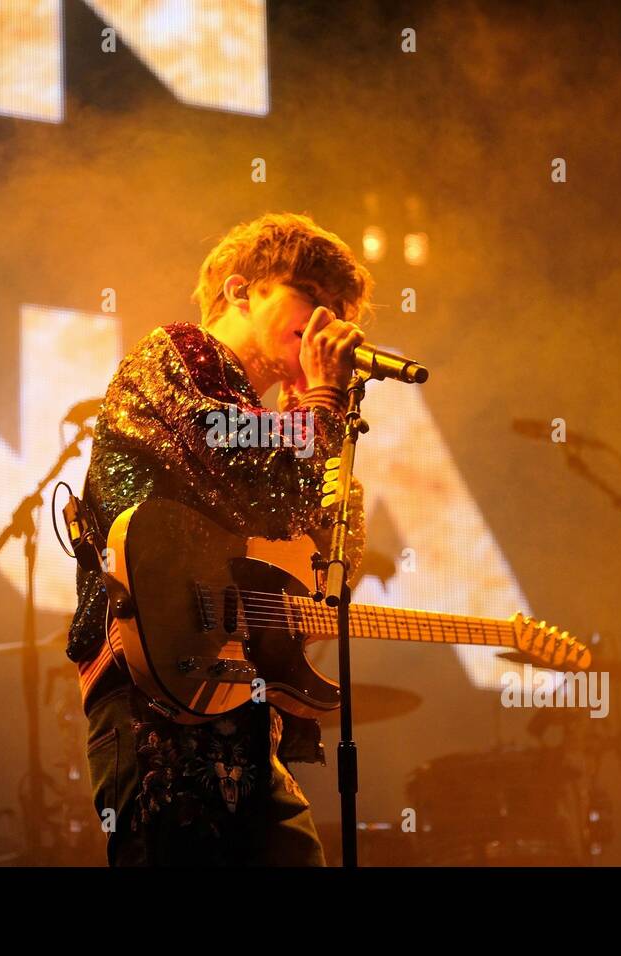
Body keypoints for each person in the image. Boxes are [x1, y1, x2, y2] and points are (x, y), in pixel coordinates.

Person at [67, 212, 372, 866]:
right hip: (153, 707)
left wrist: (318, 423)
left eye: (342, 314)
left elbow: (320, 555)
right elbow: (267, 489)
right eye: (313, 301)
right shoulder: (175, 354)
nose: (331, 326)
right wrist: (320, 398)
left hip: (233, 703)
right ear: (241, 293)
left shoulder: (268, 419)